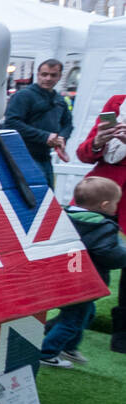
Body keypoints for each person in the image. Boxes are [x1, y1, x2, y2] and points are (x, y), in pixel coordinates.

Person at [39, 176, 126, 368]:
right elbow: (109, 254)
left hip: (63, 278)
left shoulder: (63, 217)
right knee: (73, 319)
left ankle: (68, 346)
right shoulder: (102, 227)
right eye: (115, 203)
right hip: (83, 283)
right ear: (104, 205)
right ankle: (47, 353)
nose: (116, 207)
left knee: (85, 314)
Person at [76, 93, 126, 353]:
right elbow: (84, 153)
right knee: (82, 260)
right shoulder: (117, 102)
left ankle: (122, 333)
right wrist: (97, 142)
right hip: (99, 196)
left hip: (114, 200)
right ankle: (69, 319)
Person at [2, 58, 72, 187]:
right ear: (38, 75)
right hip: (23, 154)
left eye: (53, 75)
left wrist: (62, 137)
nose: (48, 78)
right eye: (44, 74)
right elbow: (11, 123)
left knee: (47, 192)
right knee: (36, 192)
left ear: (59, 77)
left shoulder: (59, 100)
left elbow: (68, 124)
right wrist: (45, 136)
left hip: (44, 155)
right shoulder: (23, 96)